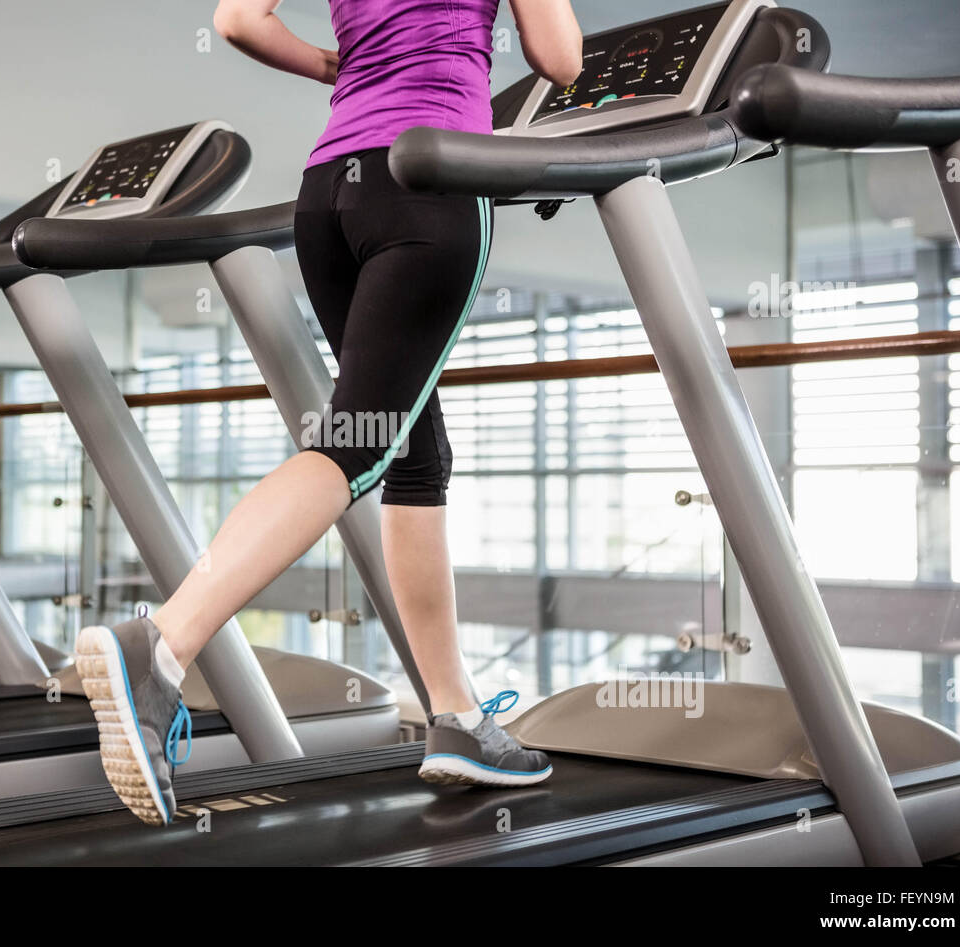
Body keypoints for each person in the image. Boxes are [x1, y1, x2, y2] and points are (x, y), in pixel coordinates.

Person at [75, 0, 584, 825]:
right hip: (431, 177)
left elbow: (238, 18)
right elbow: (560, 59)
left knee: (413, 455)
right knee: (358, 447)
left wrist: (331, 63)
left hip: (329, 195)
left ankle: (455, 716)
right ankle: (162, 644)